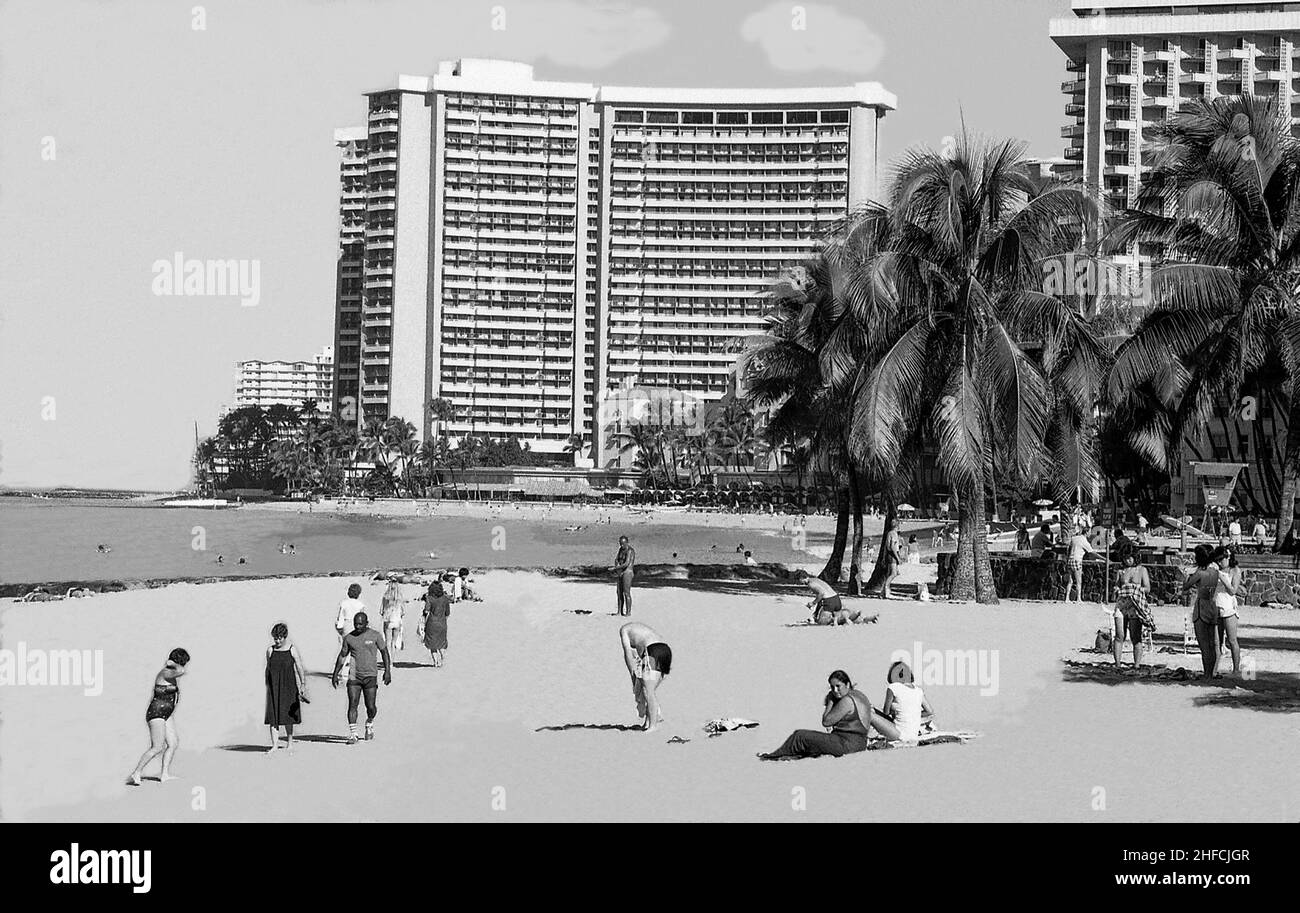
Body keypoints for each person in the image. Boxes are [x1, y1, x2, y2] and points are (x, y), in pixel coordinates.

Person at [758, 670, 899, 760]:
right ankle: (790, 755)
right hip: (859, 743)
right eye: (832, 687)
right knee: (813, 742)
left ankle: (774, 755)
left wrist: (830, 701)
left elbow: (826, 721)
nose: (835, 690)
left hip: (847, 745)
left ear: (847, 684)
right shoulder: (859, 695)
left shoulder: (847, 701)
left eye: (838, 686)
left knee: (799, 735)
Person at [126, 648, 190, 785]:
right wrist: (172, 663)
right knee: (157, 747)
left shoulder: (171, 674)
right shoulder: (166, 672)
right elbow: (181, 671)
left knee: (173, 743)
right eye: (184, 662)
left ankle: (164, 774)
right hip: (156, 713)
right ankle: (136, 773)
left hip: (166, 714)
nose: (184, 665)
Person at [332, 611, 391, 744]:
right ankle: (353, 734)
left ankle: (369, 723)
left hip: (370, 675)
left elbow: (384, 652)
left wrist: (387, 671)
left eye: (360, 624)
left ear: (366, 623)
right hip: (354, 675)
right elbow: (342, 655)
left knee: (371, 706)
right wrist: (335, 673)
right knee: (353, 703)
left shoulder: (375, 635)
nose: (358, 627)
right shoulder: (349, 638)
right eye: (356, 624)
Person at [265, 623, 308, 754]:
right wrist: (267, 683)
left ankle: (290, 742)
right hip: (274, 687)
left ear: (285, 637)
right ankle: (274, 745)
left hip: (289, 686)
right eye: (275, 638)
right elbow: (268, 667)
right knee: (273, 716)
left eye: (280, 638)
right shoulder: (270, 650)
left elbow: (299, 666)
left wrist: (303, 683)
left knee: (288, 716)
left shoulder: (292, 650)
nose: (277, 641)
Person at [619, 622, 671, 731]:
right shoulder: (640, 629)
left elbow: (628, 654)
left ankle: (653, 726)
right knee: (649, 689)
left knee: (648, 691)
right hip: (665, 651)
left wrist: (633, 676)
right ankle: (647, 723)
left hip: (652, 651)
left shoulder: (624, 630)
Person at [1181, 545, 1222, 680]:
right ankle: (1211, 672)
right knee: (1212, 644)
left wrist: (1186, 576)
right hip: (1212, 605)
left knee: (1204, 646)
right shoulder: (1215, 572)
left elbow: (1186, 587)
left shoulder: (1200, 573)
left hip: (1201, 606)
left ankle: (1207, 674)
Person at [1112, 554, 1155, 669]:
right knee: (1119, 635)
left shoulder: (1141, 570)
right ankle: (1117, 664)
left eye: (1130, 558)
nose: (1128, 560)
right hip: (1122, 604)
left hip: (1135, 605)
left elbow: (1147, 588)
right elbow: (1117, 585)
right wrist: (1117, 589)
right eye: (1125, 558)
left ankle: (1136, 665)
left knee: (1135, 636)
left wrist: (1134, 589)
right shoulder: (1121, 571)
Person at [880, 661, 934, 740]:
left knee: (870, 713)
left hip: (899, 732)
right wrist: (911, 714)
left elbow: (886, 712)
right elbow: (929, 711)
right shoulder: (918, 691)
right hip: (913, 733)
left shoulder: (893, 687)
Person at [1213, 547, 1242, 676]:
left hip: (1228, 607)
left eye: (1221, 560)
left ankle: (1236, 669)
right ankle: (1214, 670)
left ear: (1228, 558)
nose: (1220, 563)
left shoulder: (1235, 570)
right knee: (1216, 642)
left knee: (1232, 640)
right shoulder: (1215, 569)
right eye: (1217, 560)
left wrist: (1222, 577)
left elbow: (1233, 591)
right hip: (1216, 606)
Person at [419, 581, 451, 667]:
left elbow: (426, 610)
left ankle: (436, 662)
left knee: (432, 645)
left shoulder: (429, 598)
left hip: (432, 623)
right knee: (442, 643)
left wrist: (423, 615)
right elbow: (447, 613)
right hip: (442, 623)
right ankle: (442, 659)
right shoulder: (445, 598)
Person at [1064, 528, 1099, 603]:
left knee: (1070, 581)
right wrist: (1104, 558)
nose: (1090, 534)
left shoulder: (1074, 538)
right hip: (1077, 560)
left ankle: (1067, 598)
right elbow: (1092, 553)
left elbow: (1068, 548)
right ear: (1086, 532)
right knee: (1078, 581)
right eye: (1089, 532)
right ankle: (1078, 599)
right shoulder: (1084, 542)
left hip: (1070, 559)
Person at [612, 535, 636, 617]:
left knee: (626, 592)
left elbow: (626, 563)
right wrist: (617, 564)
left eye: (623, 544)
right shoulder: (620, 550)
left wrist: (615, 568)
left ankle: (628, 612)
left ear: (627, 543)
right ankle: (619, 611)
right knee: (619, 592)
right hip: (621, 571)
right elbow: (617, 559)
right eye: (620, 544)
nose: (622, 545)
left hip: (627, 572)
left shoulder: (630, 551)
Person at [380, 579, 405, 653]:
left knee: (387, 641)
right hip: (397, 621)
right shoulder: (400, 597)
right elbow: (403, 612)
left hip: (388, 620)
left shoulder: (385, 596)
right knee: (394, 642)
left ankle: (388, 658)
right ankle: (392, 659)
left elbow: (381, 611)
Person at [881, 519, 902, 598]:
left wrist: (884, 557)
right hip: (892, 555)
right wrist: (898, 558)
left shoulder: (889, 533)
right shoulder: (894, 534)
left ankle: (884, 591)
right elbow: (893, 547)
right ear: (897, 526)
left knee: (890, 574)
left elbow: (886, 547)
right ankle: (886, 588)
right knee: (894, 573)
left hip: (889, 554)